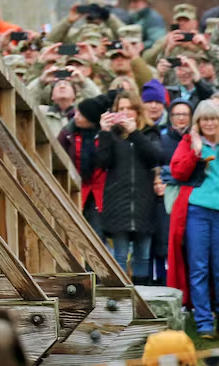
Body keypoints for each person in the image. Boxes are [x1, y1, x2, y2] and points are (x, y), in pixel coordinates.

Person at [168, 99, 219, 340]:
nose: (210, 123)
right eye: (205, 119)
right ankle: (203, 322)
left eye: (214, 118)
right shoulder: (188, 142)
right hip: (196, 211)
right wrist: (195, 152)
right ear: (198, 123)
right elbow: (177, 172)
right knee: (198, 267)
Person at [97, 93, 163, 284]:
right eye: (121, 109)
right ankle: (118, 297)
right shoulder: (112, 136)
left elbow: (156, 156)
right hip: (118, 202)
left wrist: (135, 133)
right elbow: (102, 162)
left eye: (129, 109)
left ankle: (141, 295)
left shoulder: (150, 132)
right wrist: (104, 132)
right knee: (120, 253)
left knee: (142, 254)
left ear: (137, 111)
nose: (125, 113)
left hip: (144, 202)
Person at [59, 93, 111, 237]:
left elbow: (105, 160)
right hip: (73, 189)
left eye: (81, 115)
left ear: (92, 121)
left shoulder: (104, 136)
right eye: (77, 112)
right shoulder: (69, 134)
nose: (76, 117)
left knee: (97, 235)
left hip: (98, 193)